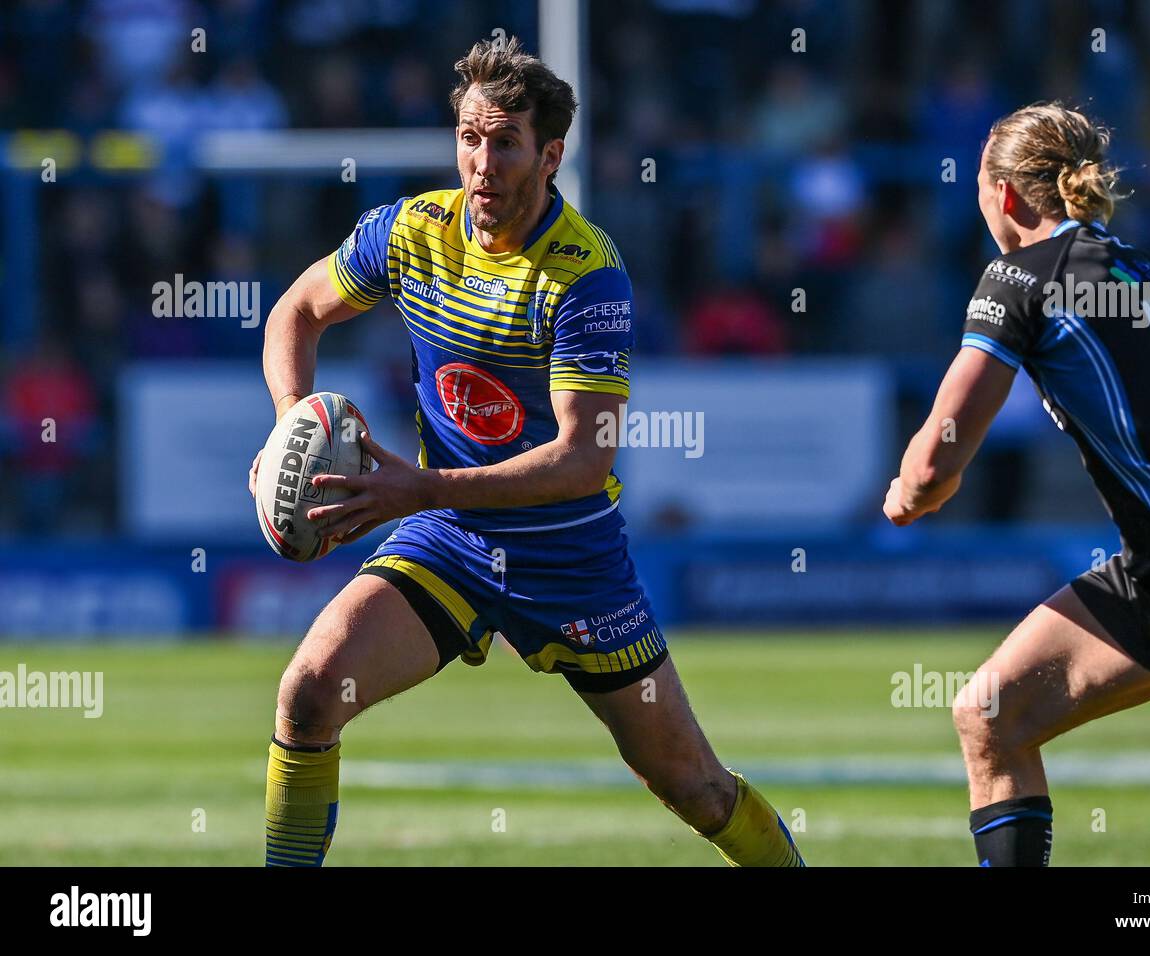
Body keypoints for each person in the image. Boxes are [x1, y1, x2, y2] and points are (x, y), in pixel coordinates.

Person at [251, 37, 803, 868]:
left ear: (550, 156)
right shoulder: (412, 231)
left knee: (693, 786)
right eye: (469, 138)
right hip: (451, 541)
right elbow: (296, 311)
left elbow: (584, 460)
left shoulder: (586, 275)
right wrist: (290, 421)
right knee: (309, 694)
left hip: (571, 557)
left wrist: (419, 488)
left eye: (505, 143)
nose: (482, 163)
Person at [884, 102, 1150, 866]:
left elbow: (937, 461)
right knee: (991, 713)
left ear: (1004, 195)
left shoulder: (1019, 277)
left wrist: (907, 494)